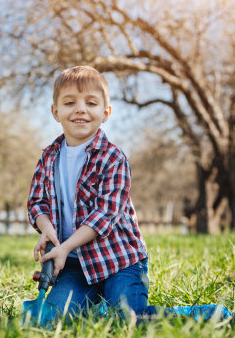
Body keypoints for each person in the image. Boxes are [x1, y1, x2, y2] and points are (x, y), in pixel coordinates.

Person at [27, 65, 150, 319]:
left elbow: (104, 215)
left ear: (105, 113)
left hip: (119, 261)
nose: (80, 109)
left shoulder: (113, 158)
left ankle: (200, 315)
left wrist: (64, 247)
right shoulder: (49, 157)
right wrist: (47, 227)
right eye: (70, 102)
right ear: (55, 111)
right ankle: (96, 305)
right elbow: (37, 201)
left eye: (91, 103)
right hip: (75, 266)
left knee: (128, 318)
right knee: (52, 318)